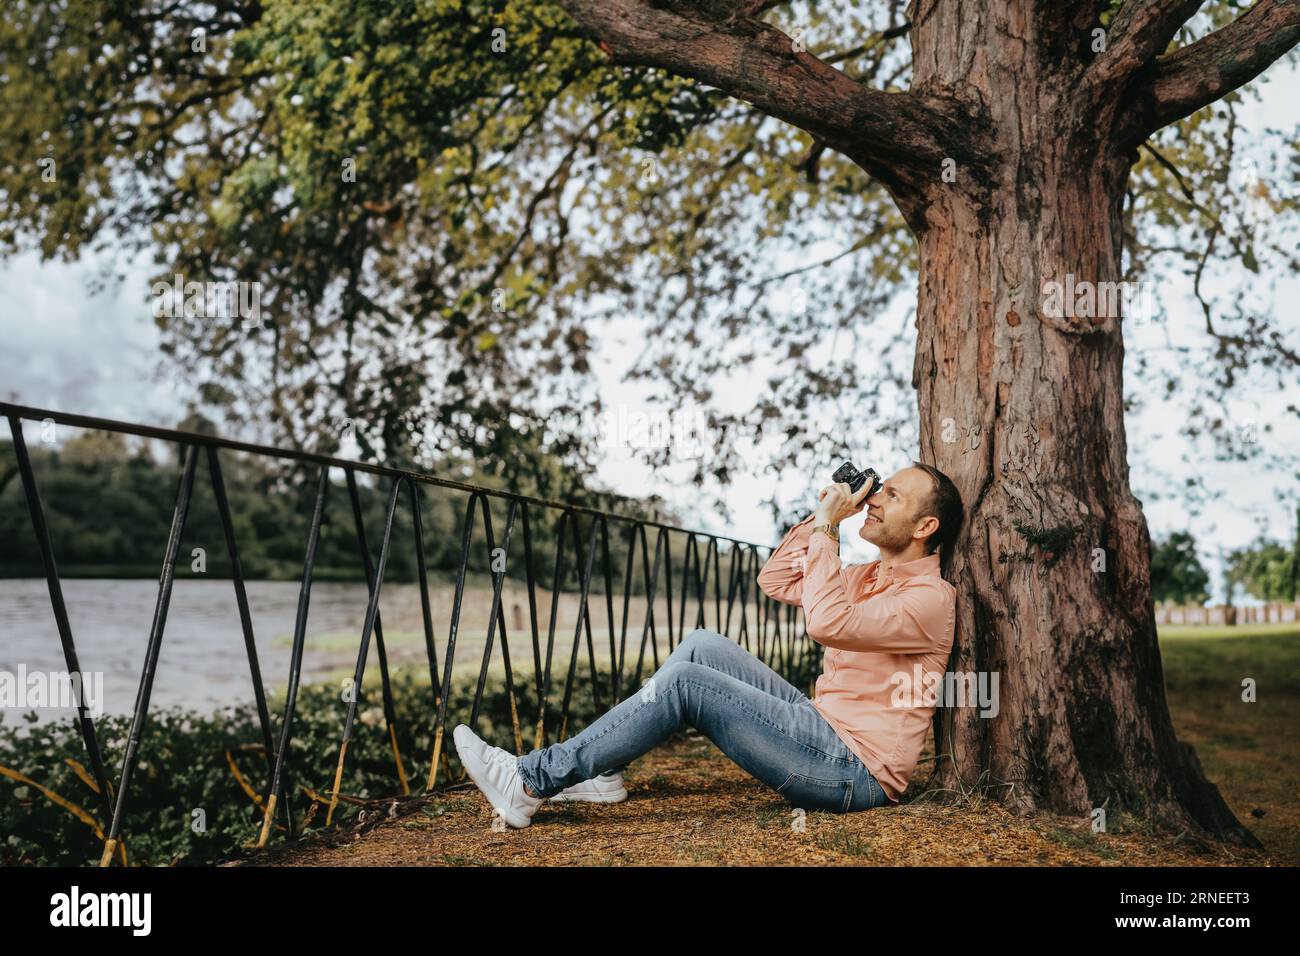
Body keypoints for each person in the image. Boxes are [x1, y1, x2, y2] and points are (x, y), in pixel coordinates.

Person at [453, 461, 962, 828]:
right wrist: (822, 519)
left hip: (854, 769)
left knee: (686, 683)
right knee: (701, 645)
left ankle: (528, 781)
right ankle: (602, 769)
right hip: (820, 726)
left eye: (891, 496)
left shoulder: (930, 599)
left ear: (925, 527)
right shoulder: (863, 577)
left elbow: (826, 622)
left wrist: (831, 530)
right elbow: (778, 579)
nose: (873, 498)